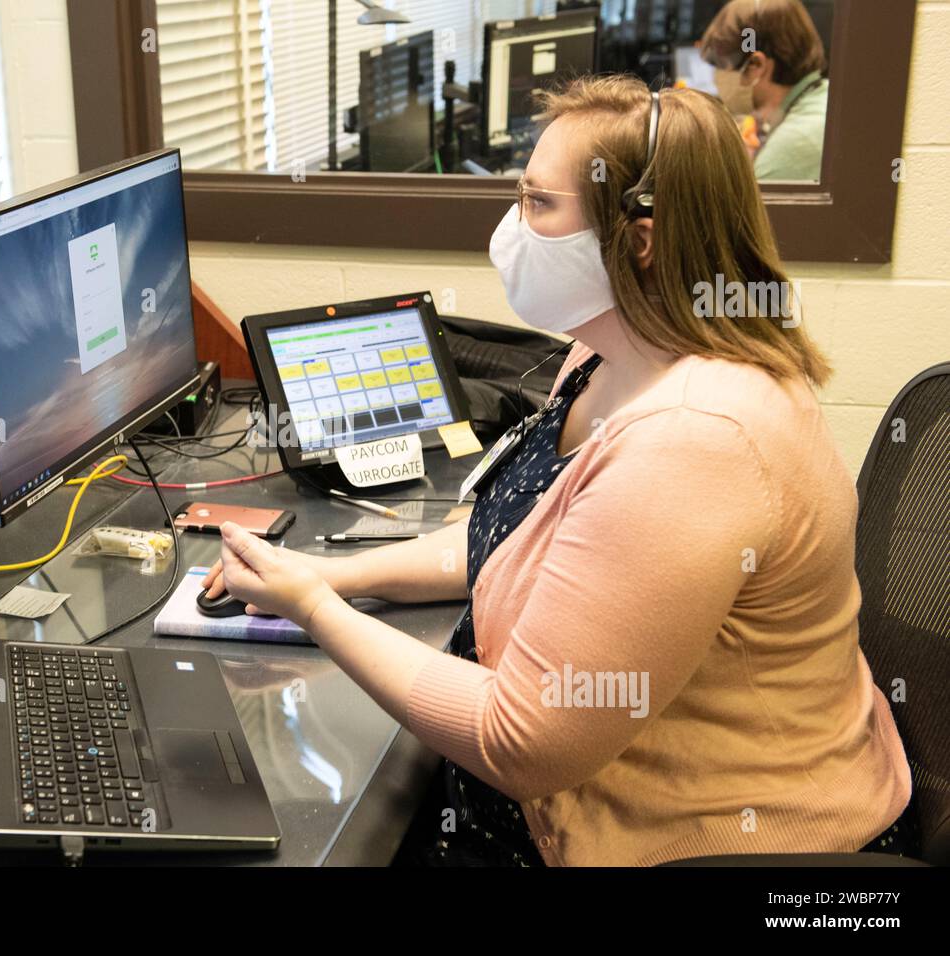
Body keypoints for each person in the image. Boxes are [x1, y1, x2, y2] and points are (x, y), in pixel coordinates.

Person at [201, 73, 914, 867]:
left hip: (702, 841)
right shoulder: (613, 353)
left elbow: (522, 741)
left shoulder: (693, 441)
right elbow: (513, 534)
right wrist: (337, 573)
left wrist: (313, 611)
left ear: (639, 237)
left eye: (539, 205)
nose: (511, 229)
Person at [701, 0, 830, 181]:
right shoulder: (825, 98)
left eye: (721, 66)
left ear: (756, 65)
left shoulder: (790, 147)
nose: (716, 79)